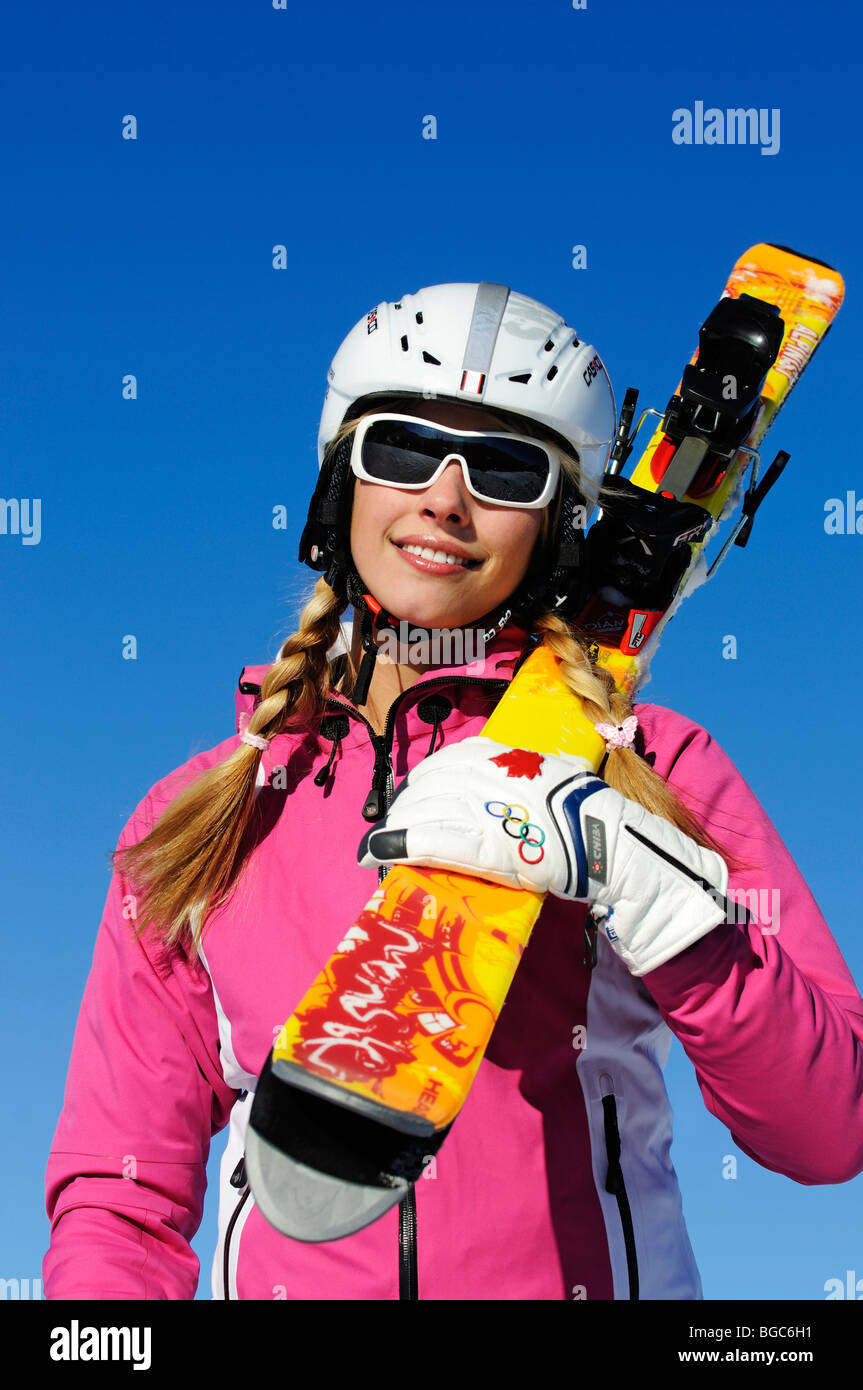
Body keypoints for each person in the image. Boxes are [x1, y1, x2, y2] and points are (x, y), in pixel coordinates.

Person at [44, 281, 863, 1301]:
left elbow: (828, 1128)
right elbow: (121, 1201)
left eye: (504, 469)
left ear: (560, 526)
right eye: (400, 449)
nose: (443, 496)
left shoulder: (653, 765)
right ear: (338, 483)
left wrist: (653, 892)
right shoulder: (202, 815)